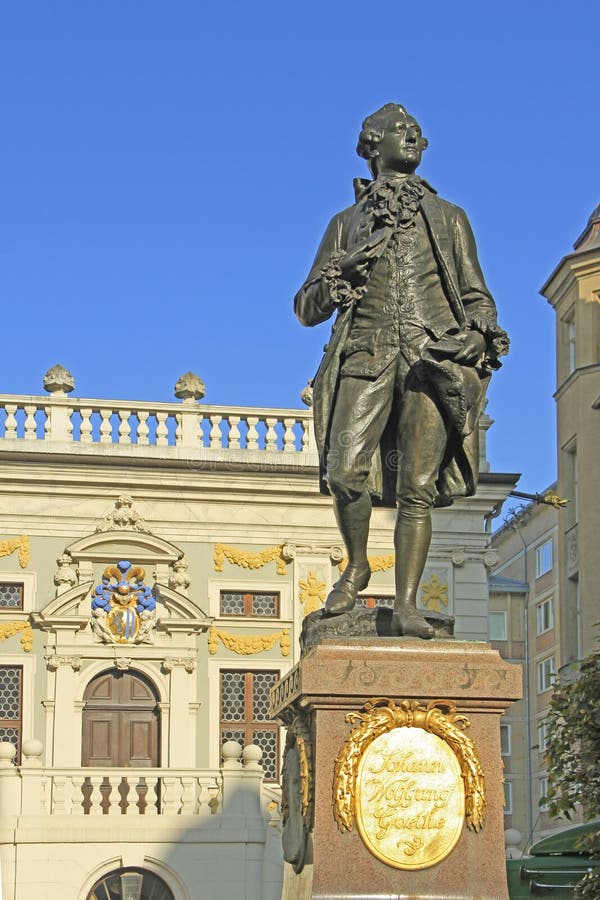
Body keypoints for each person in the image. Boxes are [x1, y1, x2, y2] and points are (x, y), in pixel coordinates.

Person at [294, 103, 508, 639]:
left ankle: (408, 604)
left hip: (429, 359)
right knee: (344, 470)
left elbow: (478, 296)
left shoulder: (449, 216)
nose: (412, 136)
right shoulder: (344, 224)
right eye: (399, 130)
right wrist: (339, 272)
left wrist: (479, 334)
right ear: (371, 144)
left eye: (417, 131)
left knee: (417, 485)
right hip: (365, 356)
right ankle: (359, 564)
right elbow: (306, 307)